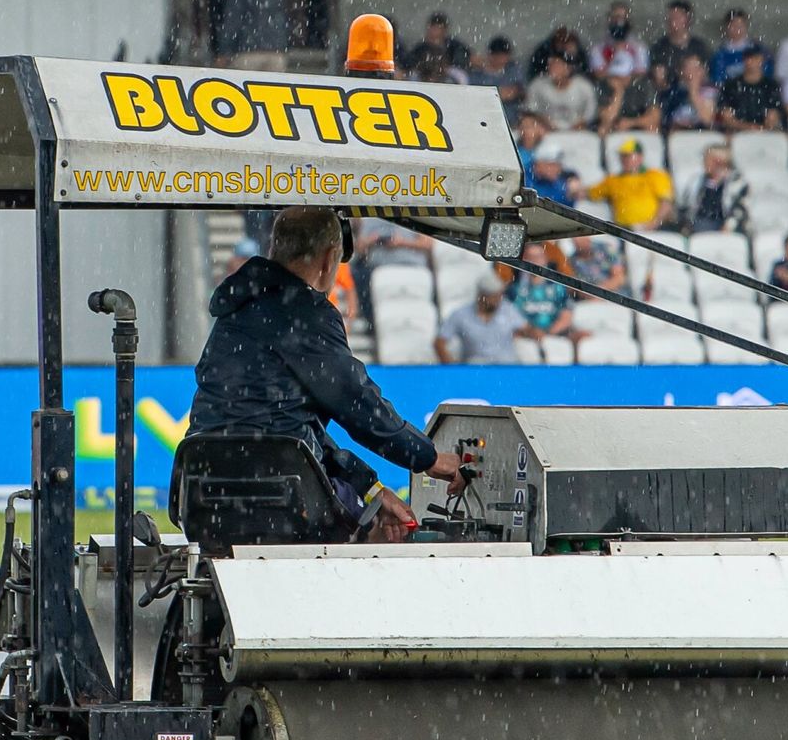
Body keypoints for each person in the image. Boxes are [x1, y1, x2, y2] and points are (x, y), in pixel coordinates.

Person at [187, 207, 466, 539]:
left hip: (204, 494)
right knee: (383, 533)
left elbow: (284, 428)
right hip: (278, 496)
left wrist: (372, 489)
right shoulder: (308, 314)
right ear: (331, 256)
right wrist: (428, 458)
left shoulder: (234, 315)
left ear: (275, 247)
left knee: (371, 510)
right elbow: (357, 402)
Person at [435, 274, 530, 364]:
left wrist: (528, 333)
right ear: (481, 296)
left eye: (500, 295)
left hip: (507, 367)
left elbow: (527, 330)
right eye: (494, 296)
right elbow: (439, 343)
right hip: (475, 369)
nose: (498, 300)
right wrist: (452, 368)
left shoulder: (508, 310)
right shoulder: (461, 314)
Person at [509, 242, 589, 345]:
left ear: (545, 258)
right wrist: (530, 332)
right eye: (531, 257)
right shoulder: (515, 288)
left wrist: (547, 333)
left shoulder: (558, 287)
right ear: (525, 259)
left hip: (555, 337)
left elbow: (566, 315)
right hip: (525, 339)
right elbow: (510, 315)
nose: (535, 261)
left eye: (538, 256)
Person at [588, 138, 675, 229]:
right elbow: (590, 193)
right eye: (622, 156)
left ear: (640, 157)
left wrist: (653, 223)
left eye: (628, 156)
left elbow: (666, 203)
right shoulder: (612, 180)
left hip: (653, 229)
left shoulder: (655, 175)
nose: (624, 159)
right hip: (622, 229)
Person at [677, 144, 749, 234]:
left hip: (727, 228)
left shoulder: (737, 182)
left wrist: (728, 226)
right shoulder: (695, 181)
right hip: (698, 226)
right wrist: (686, 226)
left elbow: (740, 211)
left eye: (708, 159)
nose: (704, 162)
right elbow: (685, 207)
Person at [717, 45, 785, 133]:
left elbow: (774, 115)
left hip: (765, 134)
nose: (752, 62)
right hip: (737, 134)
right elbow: (726, 116)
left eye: (756, 58)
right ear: (744, 60)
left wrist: (759, 129)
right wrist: (750, 128)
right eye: (749, 58)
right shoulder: (731, 85)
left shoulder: (771, 85)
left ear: (762, 60)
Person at [523, 54, 598, 131]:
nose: (553, 69)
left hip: (579, 132)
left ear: (568, 68)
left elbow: (591, 111)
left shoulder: (583, 86)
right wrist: (543, 121)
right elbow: (530, 109)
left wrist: (581, 123)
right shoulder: (538, 85)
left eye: (557, 65)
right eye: (551, 65)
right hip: (545, 132)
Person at [649, 0, 712, 89]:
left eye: (677, 17)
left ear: (688, 19)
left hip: (695, 92)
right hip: (668, 93)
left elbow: (707, 76)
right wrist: (661, 81)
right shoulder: (659, 47)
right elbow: (655, 80)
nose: (673, 21)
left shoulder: (700, 46)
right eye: (670, 17)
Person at [465, 36, 525, 121]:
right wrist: (495, 95)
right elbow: (472, 97)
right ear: (490, 55)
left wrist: (515, 92)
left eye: (504, 56)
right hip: (484, 117)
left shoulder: (514, 71)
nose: (501, 59)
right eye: (497, 56)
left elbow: (522, 93)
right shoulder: (477, 75)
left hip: (512, 118)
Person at [587, 0, 649, 80]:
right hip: (606, 86)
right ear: (609, 19)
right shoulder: (598, 48)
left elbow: (641, 74)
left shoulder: (639, 47)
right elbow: (598, 74)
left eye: (623, 17)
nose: (619, 22)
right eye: (616, 17)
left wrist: (624, 80)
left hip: (632, 86)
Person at [658, 53, 720, 132]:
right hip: (677, 134)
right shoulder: (673, 92)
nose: (694, 72)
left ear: (703, 70)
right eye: (689, 68)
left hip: (702, 133)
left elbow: (706, 119)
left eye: (697, 67)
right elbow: (664, 119)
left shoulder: (711, 90)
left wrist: (693, 90)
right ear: (681, 71)